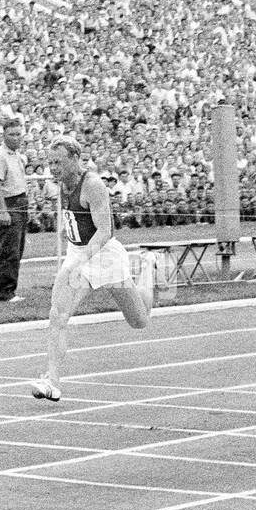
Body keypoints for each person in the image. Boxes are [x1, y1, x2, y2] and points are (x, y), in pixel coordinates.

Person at [29, 137, 158, 402]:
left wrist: (81, 259)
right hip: (78, 254)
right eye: (50, 162)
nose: (53, 168)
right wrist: (72, 244)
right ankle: (52, 381)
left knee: (139, 320)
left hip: (105, 256)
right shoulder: (62, 184)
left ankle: (148, 266)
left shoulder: (94, 185)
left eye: (59, 162)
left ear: (75, 159)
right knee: (58, 315)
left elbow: (105, 230)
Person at [0, 118, 28, 302]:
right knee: (8, 250)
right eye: (11, 134)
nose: (16, 138)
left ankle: (10, 289)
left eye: (18, 134)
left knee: (17, 249)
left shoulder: (16, 155)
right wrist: (3, 211)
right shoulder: (0, 155)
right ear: (3, 135)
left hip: (20, 202)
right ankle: (4, 291)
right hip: (8, 203)